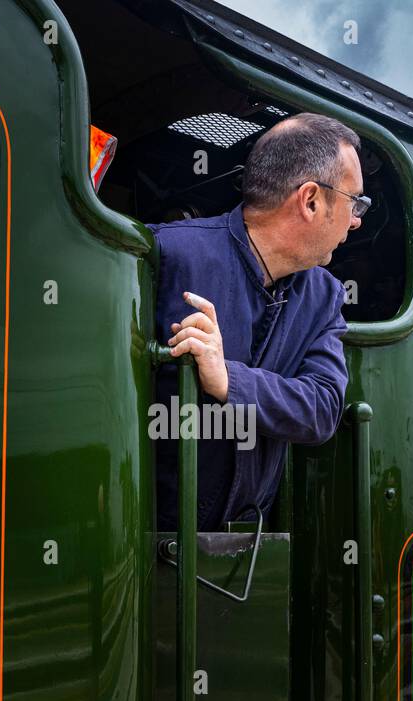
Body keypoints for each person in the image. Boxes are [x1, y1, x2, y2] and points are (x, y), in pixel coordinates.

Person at [149, 112, 363, 531]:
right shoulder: (167, 255)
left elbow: (322, 409)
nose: (356, 220)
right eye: (354, 201)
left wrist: (227, 379)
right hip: (146, 541)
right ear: (311, 200)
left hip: (247, 556)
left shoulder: (325, 297)